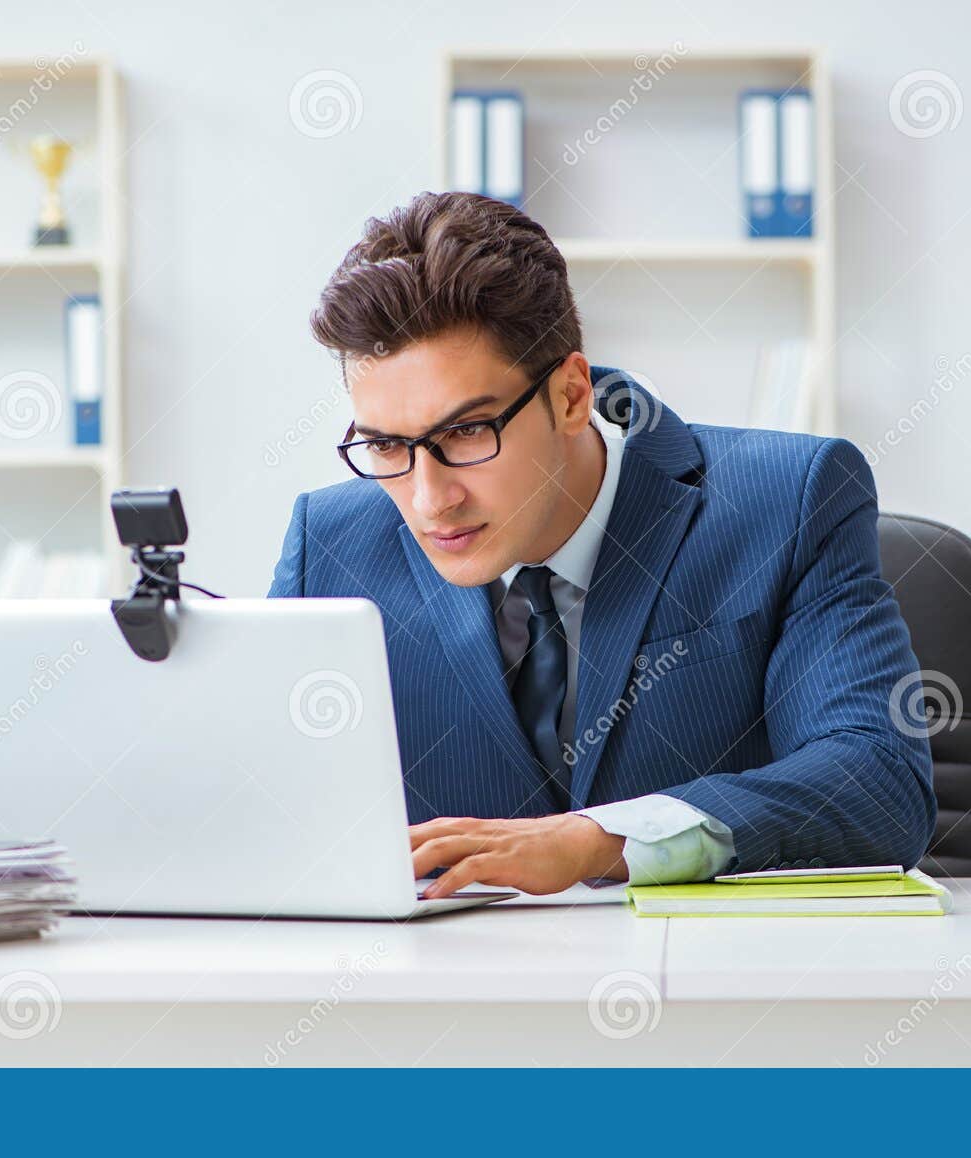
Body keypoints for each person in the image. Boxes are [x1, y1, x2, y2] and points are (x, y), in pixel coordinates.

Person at [270, 191, 936, 898]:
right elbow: (256, 807)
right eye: (384, 445)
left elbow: (878, 779)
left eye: (467, 433)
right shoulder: (330, 548)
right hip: (432, 994)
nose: (430, 499)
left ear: (570, 395)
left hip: (711, 991)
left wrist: (600, 841)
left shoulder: (788, 501)